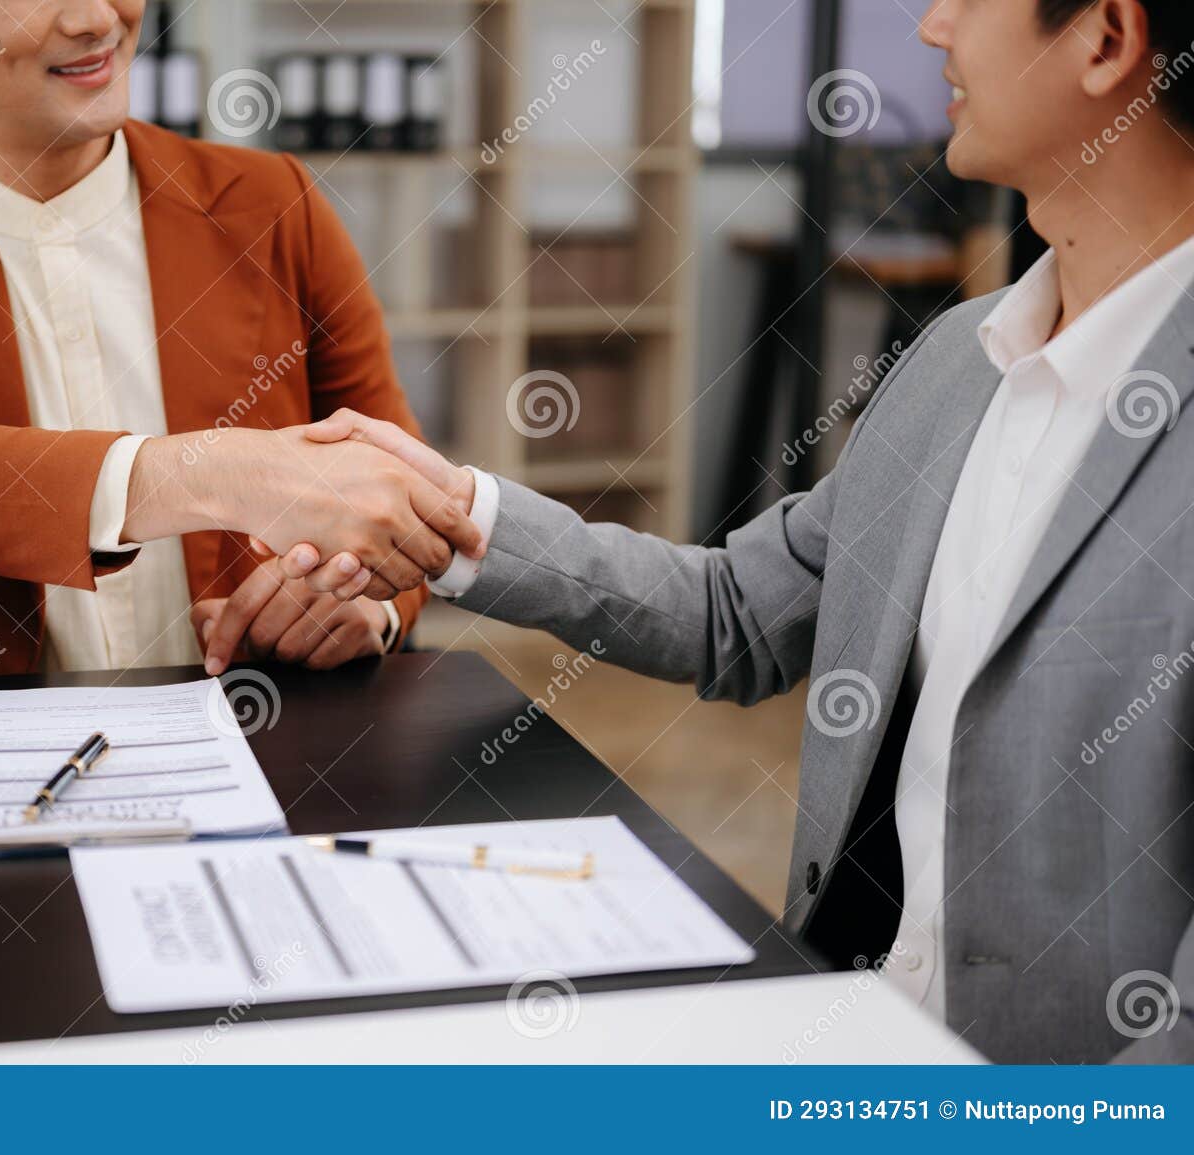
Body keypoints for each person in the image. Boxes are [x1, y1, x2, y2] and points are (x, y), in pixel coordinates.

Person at [216, 0, 1194, 1063]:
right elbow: (736, 612)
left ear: (1106, 39)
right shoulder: (961, 356)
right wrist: (447, 508)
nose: (931, 26)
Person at [0, 0, 478, 684]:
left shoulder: (273, 203)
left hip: (257, 722)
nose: (97, 19)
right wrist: (218, 474)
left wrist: (371, 604)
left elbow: (402, 481)